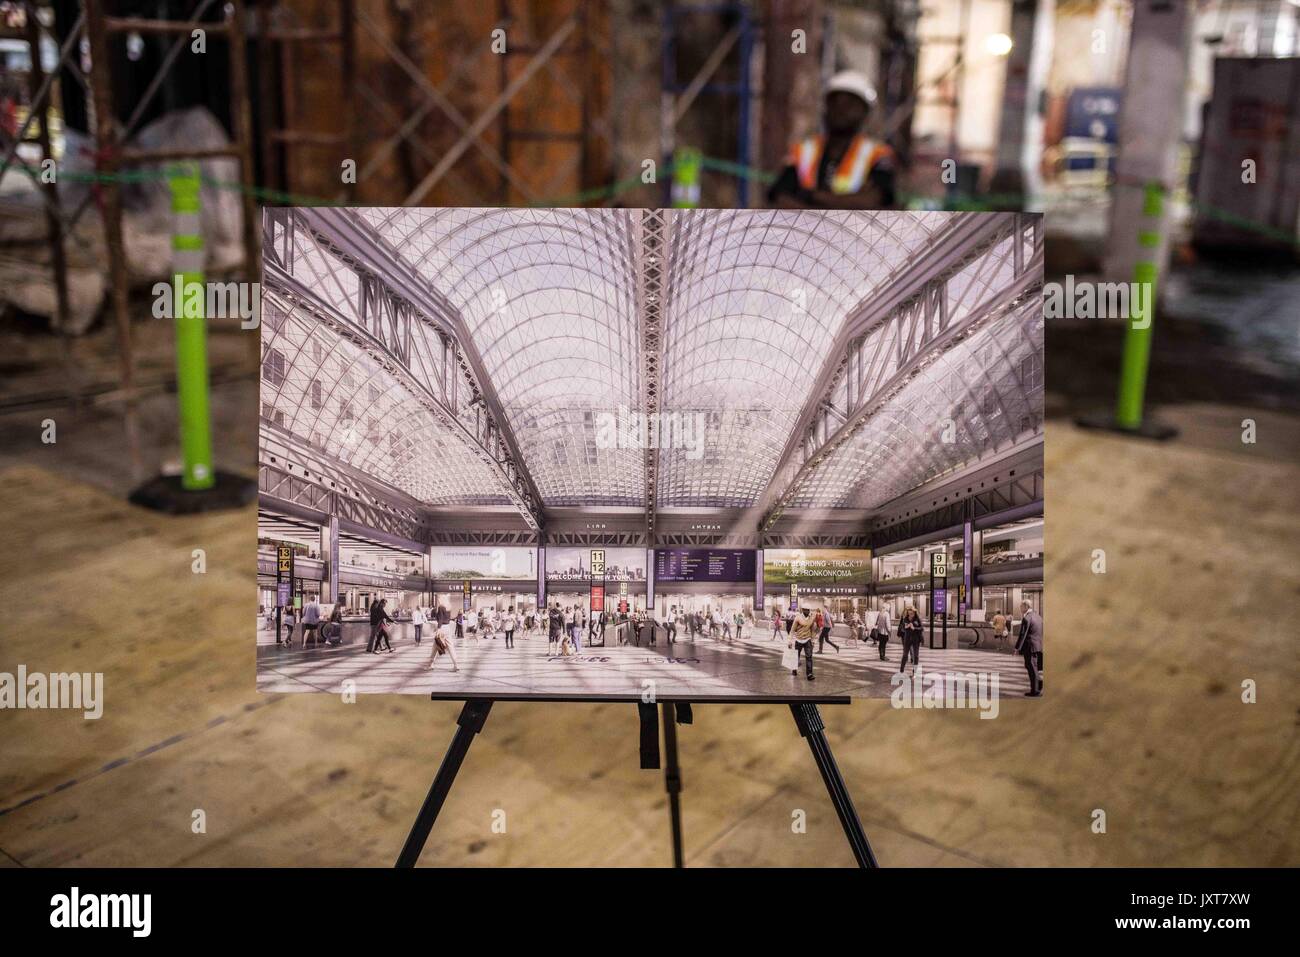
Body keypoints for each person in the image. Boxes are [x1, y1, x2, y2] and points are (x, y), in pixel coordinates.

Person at [768, 70, 897, 210]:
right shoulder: (803, 151)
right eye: (835, 102)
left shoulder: (878, 154)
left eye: (850, 104)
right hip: (805, 231)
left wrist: (809, 196)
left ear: (865, 112)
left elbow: (873, 202)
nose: (841, 109)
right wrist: (846, 201)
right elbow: (781, 200)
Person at [1015, 601, 1043, 697]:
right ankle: (1038, 683)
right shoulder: (1038, 617)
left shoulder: (1027, 618)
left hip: (1029, 647)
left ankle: (1035, 690)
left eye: (1021, 606)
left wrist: (1017, 648)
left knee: (1031, 667)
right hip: (1037, 646)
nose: (1020, 608)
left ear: (1026, 606)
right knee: (1033, 667)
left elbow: (1023, 634)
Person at [789, 607, 817, 681]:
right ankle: (794, 670)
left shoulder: (811, 618)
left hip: (807, 639)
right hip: (798, 639)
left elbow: (813, 630)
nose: (807, 611)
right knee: (796, 656)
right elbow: (792, 630)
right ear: (803, 610)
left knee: (809, 657)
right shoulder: (798, 618)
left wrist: (813, 640)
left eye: (808, 610)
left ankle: (809, 674)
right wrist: (790, 641)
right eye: (806, 610)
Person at [898, 606, 922, 672]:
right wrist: (906, 627)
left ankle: (915, 671)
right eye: (909, 613)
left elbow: (921, 628)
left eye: (912, 613)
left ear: (914, 613)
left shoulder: (917, 619)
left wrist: (914, 628)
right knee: (905, 655)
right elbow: (902, 628)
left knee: (916, 656)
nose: (910, 615)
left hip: (916, 640)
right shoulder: (905, 619)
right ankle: (901, 670)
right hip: (907, 639)